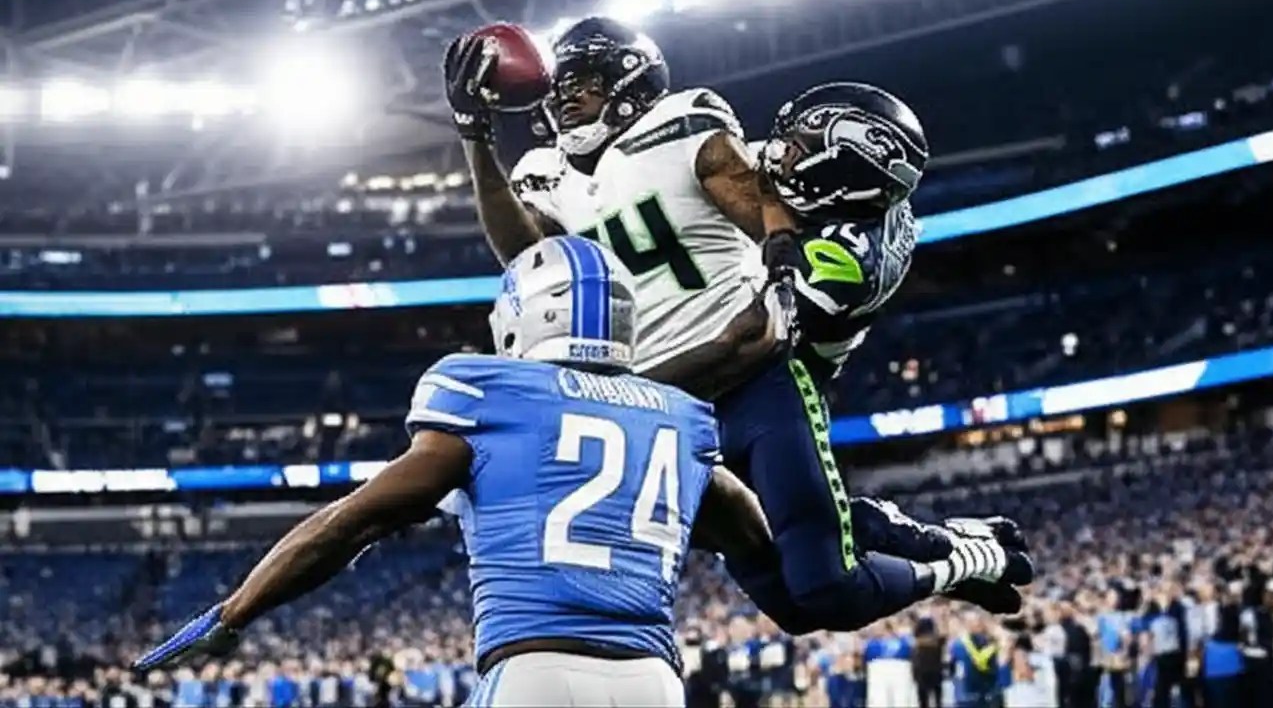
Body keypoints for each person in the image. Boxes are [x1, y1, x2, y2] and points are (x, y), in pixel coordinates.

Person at [128, 236, 1031, 706]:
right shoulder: (677, 418)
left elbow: (352, 523)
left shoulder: (483, 390)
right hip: (652, 682)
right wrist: (937, 559)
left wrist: (234, 612)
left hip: (534, 671)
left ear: (525, 315)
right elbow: (775, 556)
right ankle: (965, 558)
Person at [443, 17, 1029, 622]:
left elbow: (765, 210)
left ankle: (964, 559)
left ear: (630, 81)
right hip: (662, 405)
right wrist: (475, 136)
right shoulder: (545, 170)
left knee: (825, 586)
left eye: (584, 80)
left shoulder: (682, 123)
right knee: (793, 610)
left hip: (752, 380)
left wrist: (782, 263)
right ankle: (897, 531)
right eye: (559, 84)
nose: (566, 96)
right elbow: (530, 258)